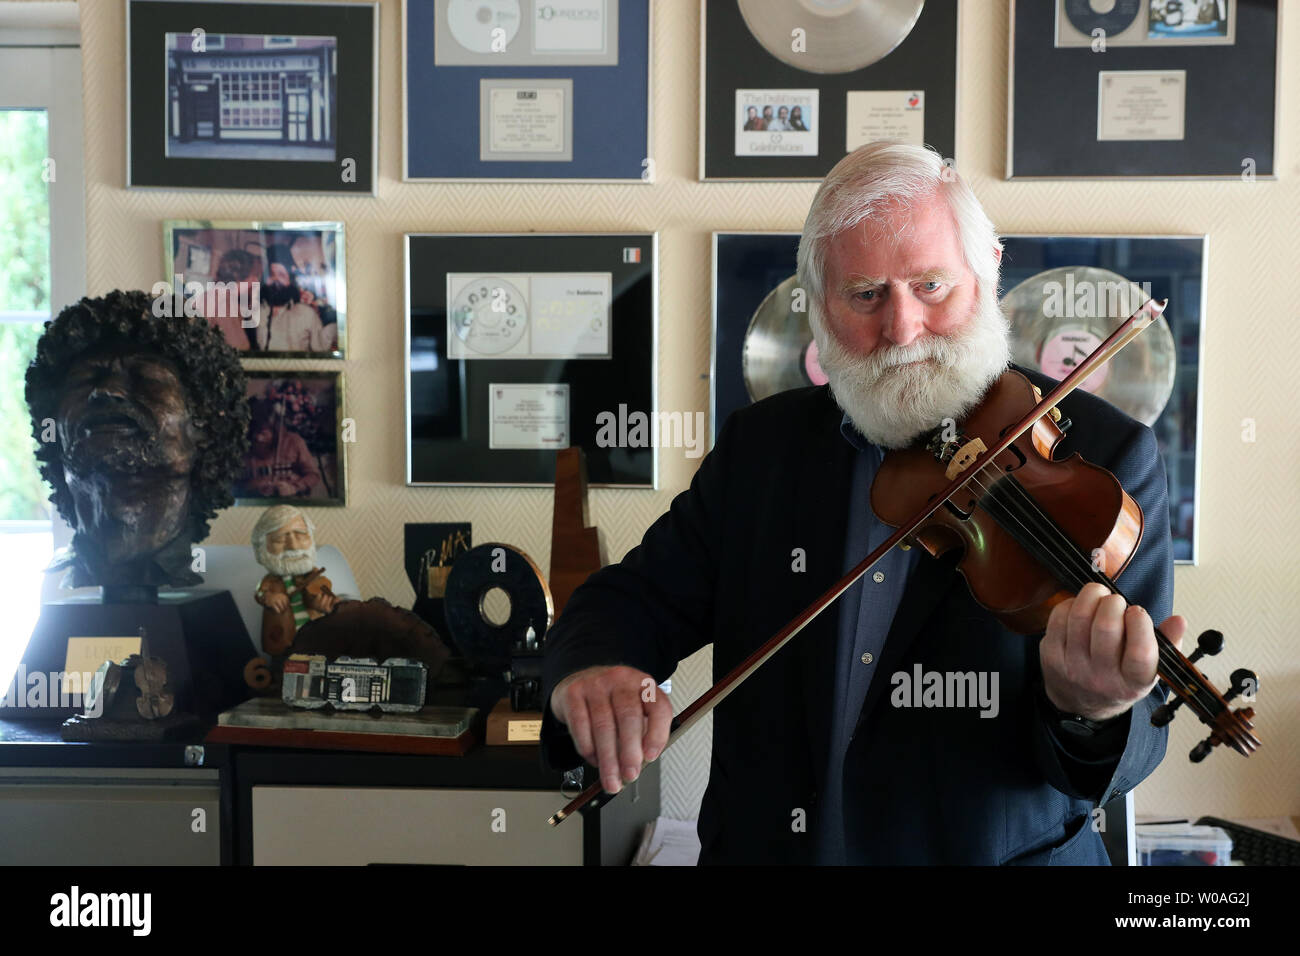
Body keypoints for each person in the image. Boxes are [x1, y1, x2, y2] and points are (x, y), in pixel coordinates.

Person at [540, 143, 1182, 865]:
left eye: (932, 286)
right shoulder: (762, 447)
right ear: (816, 307)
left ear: (989, 268)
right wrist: (593, 668)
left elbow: (1131, 746)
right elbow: (631, 600)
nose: (902, 329)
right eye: (866, 294)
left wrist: (1088, 711)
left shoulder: (1101, 457)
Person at [251, 504, 337, 656]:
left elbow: (324, 599)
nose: (293, 546)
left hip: (315, 641)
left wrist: (324, 605)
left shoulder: (314, 576)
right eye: (279, 539)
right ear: (262, 547)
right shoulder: (270, 580)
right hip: (282, 639)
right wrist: (269, 597)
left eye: (301, 535)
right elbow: (260, 593)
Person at [256, 244, 327, 353]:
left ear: (291, 281)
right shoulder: (256, 313)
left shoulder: (306, 314)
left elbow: (321, 356)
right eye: (271, 274)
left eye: (281, 275)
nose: (276, 280)